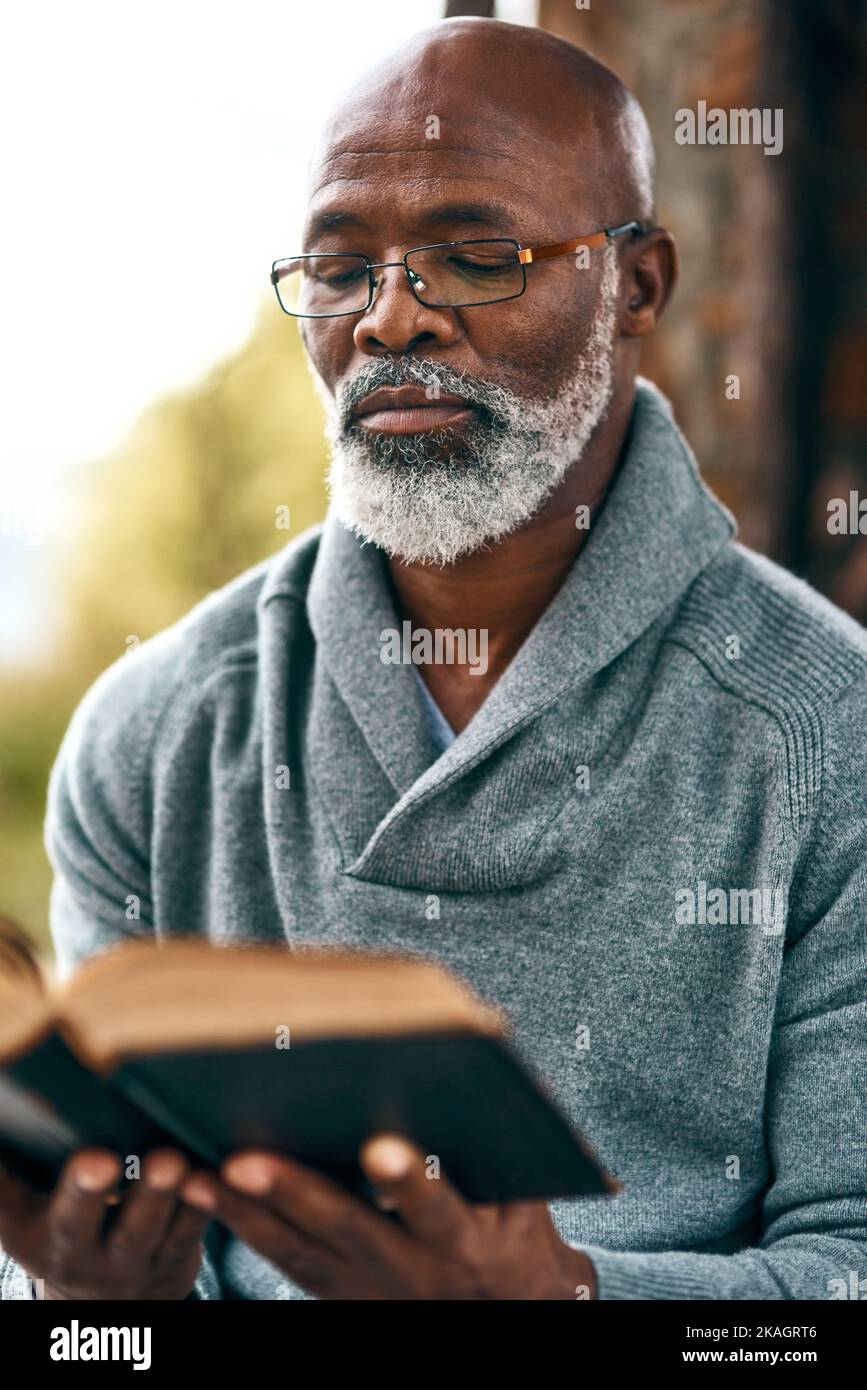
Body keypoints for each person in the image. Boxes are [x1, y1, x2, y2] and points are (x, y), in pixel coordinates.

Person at [2, 17, 865, 1301]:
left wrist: (551, 1305)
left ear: (640, 286)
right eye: (342, 268)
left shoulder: (827, 733)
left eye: (474, 258)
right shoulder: (158, 728)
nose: (392, 320)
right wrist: (90, 1307)